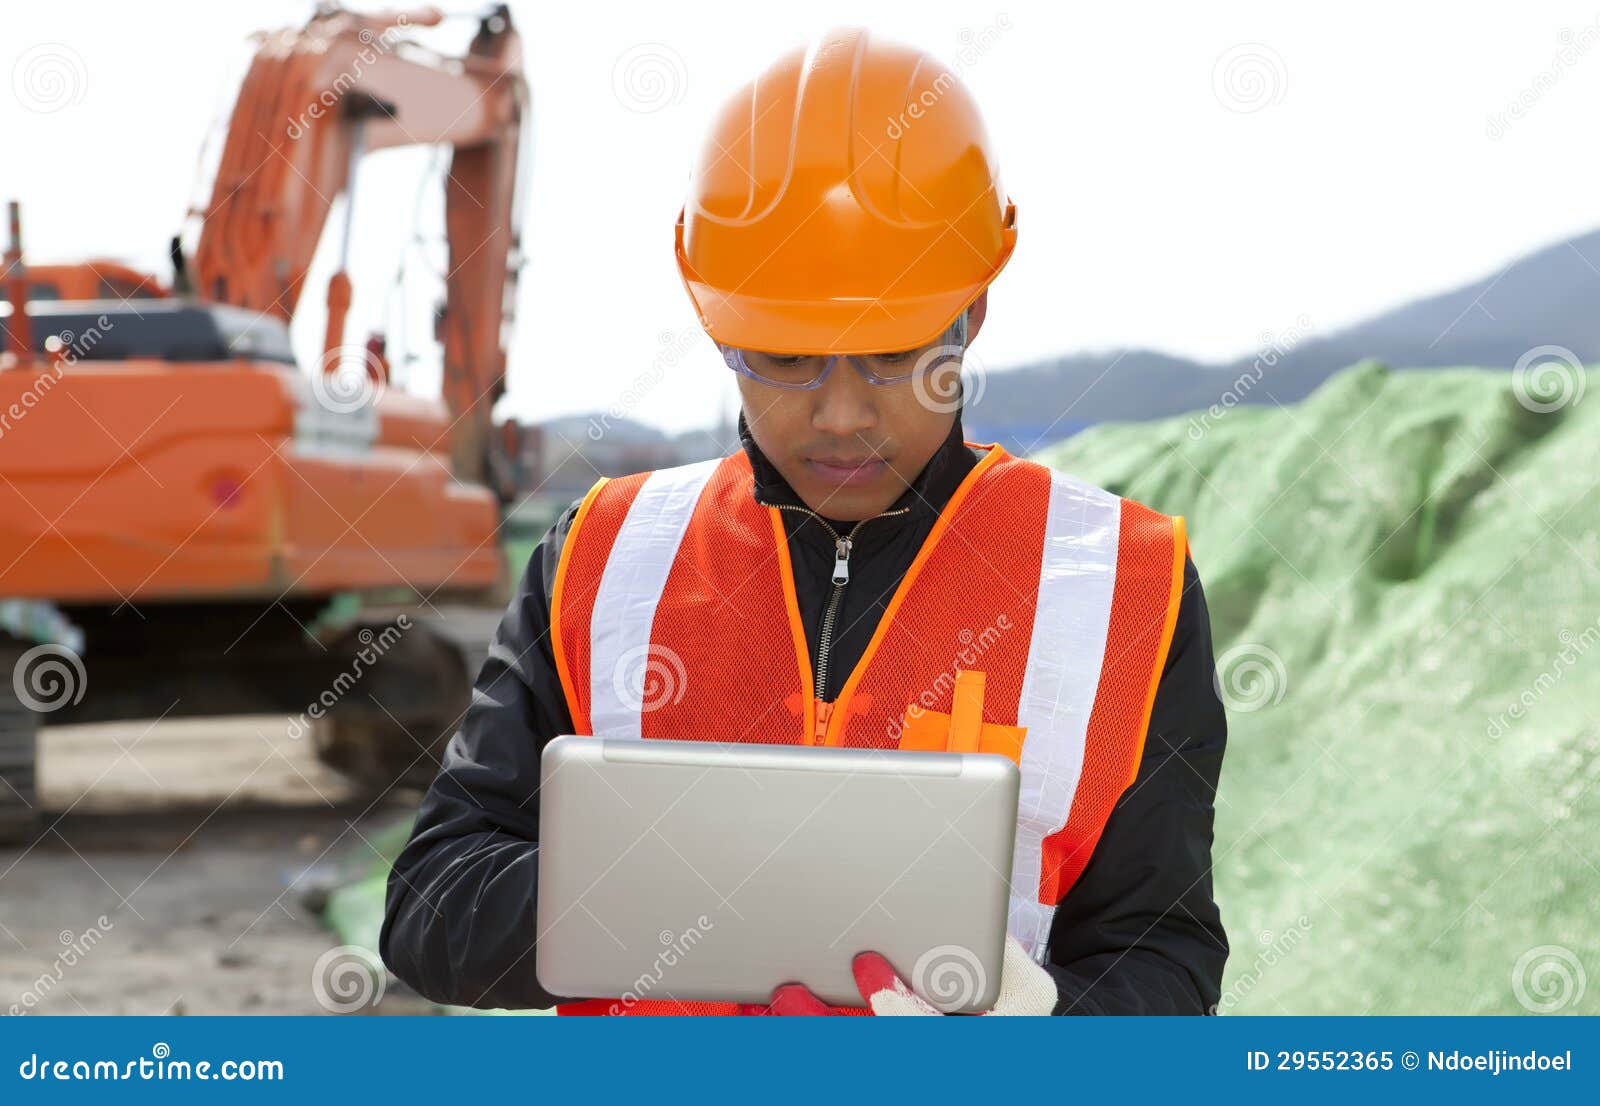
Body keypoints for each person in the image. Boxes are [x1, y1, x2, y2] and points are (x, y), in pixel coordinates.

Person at [381, 26, 1228, 1016]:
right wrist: (677, 901)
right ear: (714, 324)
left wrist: (1043, 1028)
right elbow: (429, 908)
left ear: (975, 311)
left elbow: (1162, 958)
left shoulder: (1124, 585)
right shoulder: (602, 560)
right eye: (782, 360)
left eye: (891, 356)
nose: (839, 415)